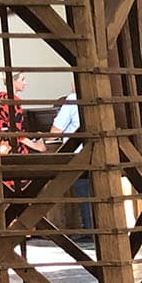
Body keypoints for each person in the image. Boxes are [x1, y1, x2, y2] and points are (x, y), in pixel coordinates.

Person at [51, 89, 94, 237]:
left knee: (83, 192)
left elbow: (55, 131)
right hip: (99, 153)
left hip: (78, 154)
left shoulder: (71, 100)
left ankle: (89, 231)